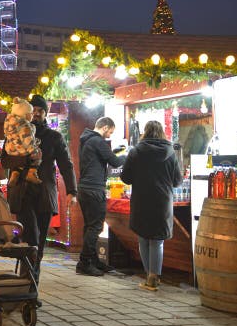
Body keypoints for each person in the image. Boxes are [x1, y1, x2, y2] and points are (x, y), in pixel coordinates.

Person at [1, 94, 78, 285]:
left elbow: (66, 164)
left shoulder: (54, 137)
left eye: (40, 111)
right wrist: (28, 160)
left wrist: (72, 190)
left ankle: (31, 283)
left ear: (45, 113)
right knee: (30, 237)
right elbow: (6, 160)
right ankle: (26, 282)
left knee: (39, 242)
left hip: (44, 193)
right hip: (23, 193)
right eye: (33, 110)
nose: (36, 114)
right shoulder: (15, 132)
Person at [120, 121, 182, 291]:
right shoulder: (170, 152)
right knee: (157, 240)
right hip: (162, 201)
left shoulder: (136, 152)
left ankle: (149, 275)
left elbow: (125, 177)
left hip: (141, 199)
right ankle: (154, 275)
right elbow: (177, 180)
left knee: (143, 237)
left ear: (145, 132)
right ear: (162, 132)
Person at [76, 116, 125, 276]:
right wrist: (130, 154)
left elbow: (102, 158)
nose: (110, 135)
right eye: (110, 132)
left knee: (90, 226)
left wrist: (114, 152)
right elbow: (116, 162)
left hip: (84, 188)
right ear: (105, 127)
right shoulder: (97, 141)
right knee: (96, 226)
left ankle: (93, 260)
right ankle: (84, 263)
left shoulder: (87, 139)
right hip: (94, 189)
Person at [3, 97, 42, 185]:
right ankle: (32, 172)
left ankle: (15, 173)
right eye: (31, 113)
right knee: (38, 154)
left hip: (11, 149)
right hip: (22, 148)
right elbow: (27, 139)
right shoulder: (25, 125)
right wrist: (33, 150)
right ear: (24, 114)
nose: (33, 115)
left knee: (18, 161)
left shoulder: (10, 123)